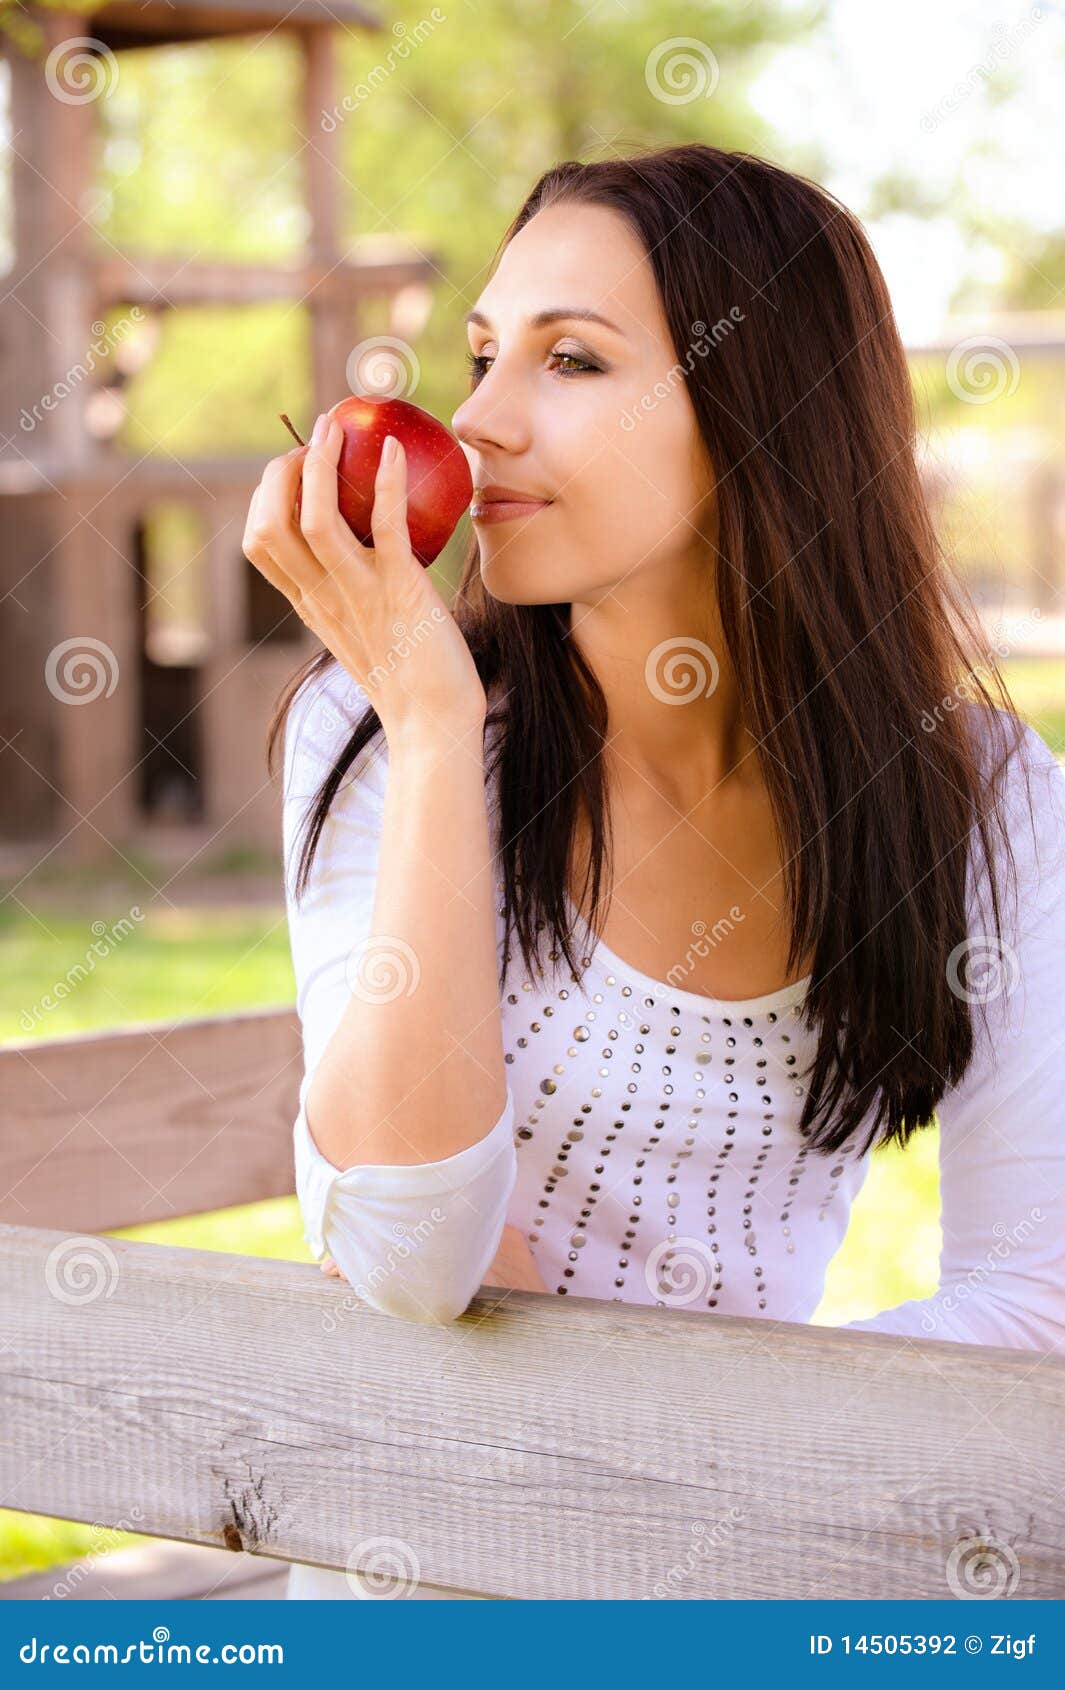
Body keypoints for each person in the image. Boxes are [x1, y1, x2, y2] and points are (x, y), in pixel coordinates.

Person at [241, 144, 1065, 1601]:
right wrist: (430, 723)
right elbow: (415, 1253)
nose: (476, 420)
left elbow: (1038, 1307)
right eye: (483, 354)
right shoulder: (377, 728)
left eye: (569, 360)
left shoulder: (988, 801)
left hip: (744, 1584)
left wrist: (639, 1441)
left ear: (766, 412)